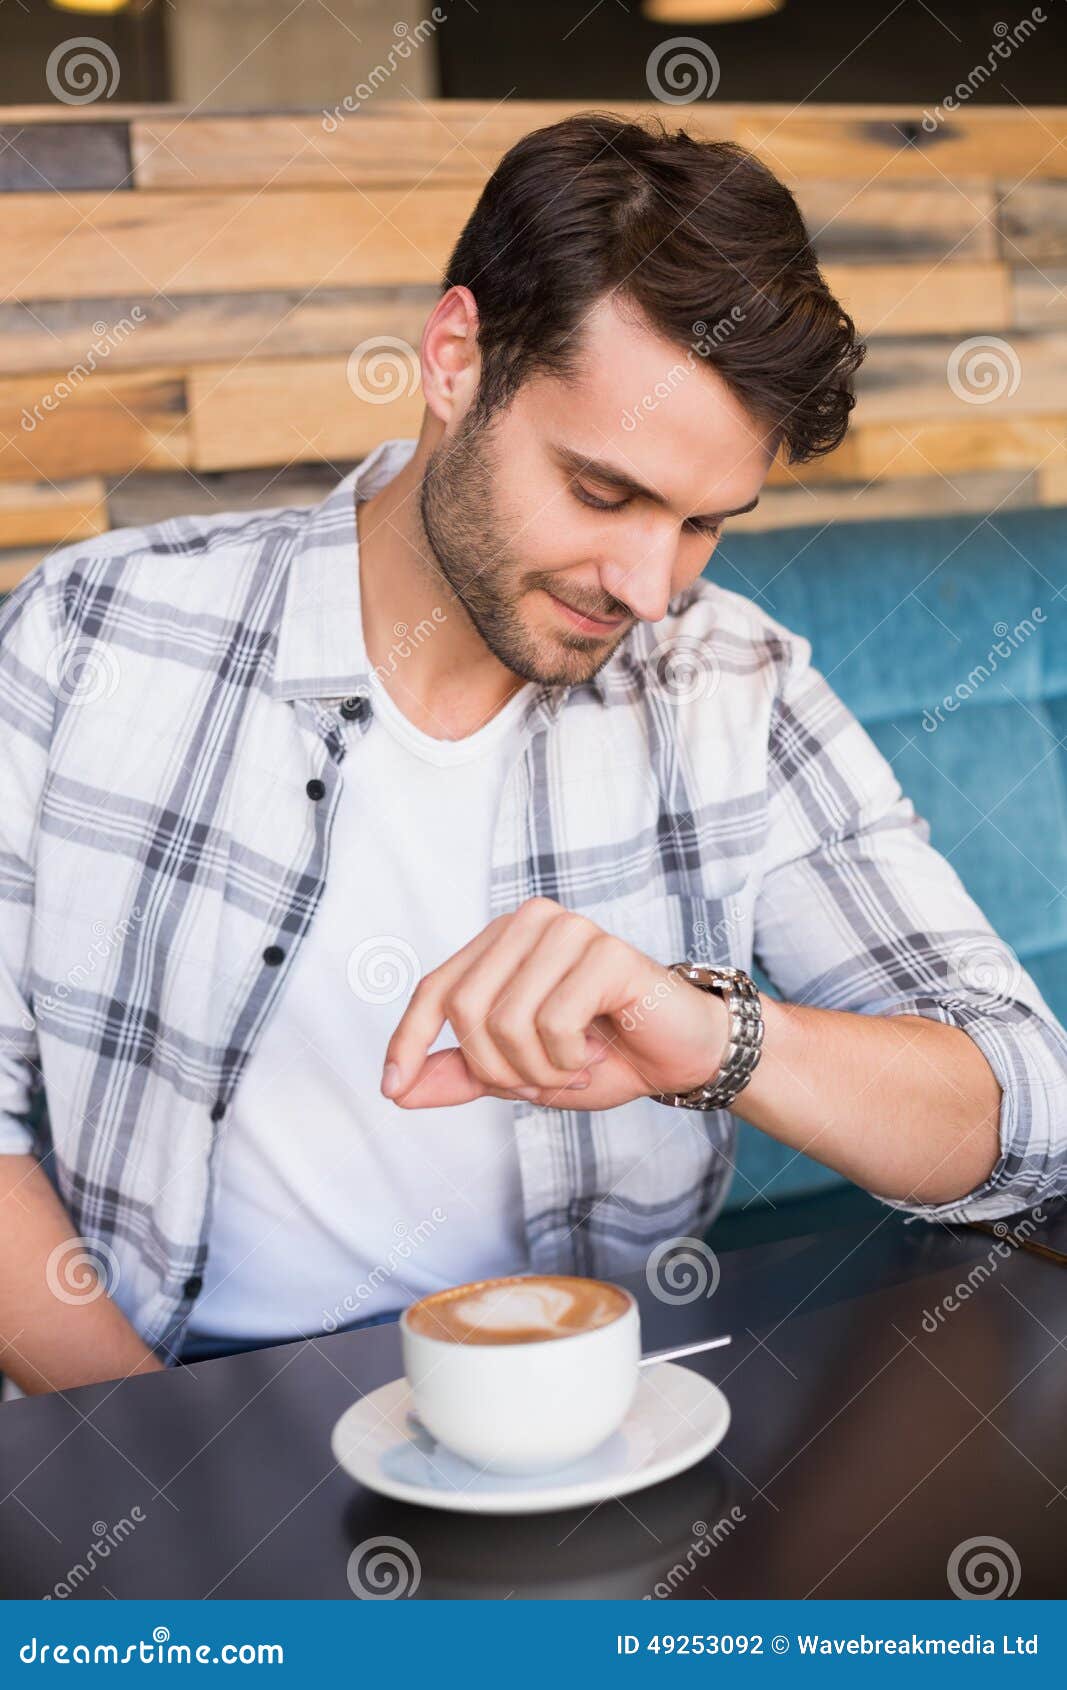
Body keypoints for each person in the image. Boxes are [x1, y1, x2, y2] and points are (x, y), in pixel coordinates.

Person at [1, 112, 1064, 1398]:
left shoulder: (731, 685)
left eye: (702, 523)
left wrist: (712, 1038)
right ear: (456, 359)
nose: (648, 589)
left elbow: (1026, 1110)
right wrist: (142, 1447)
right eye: (602, 493)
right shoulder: (90, 633)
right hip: (164, 1402)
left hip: (596, 1419)